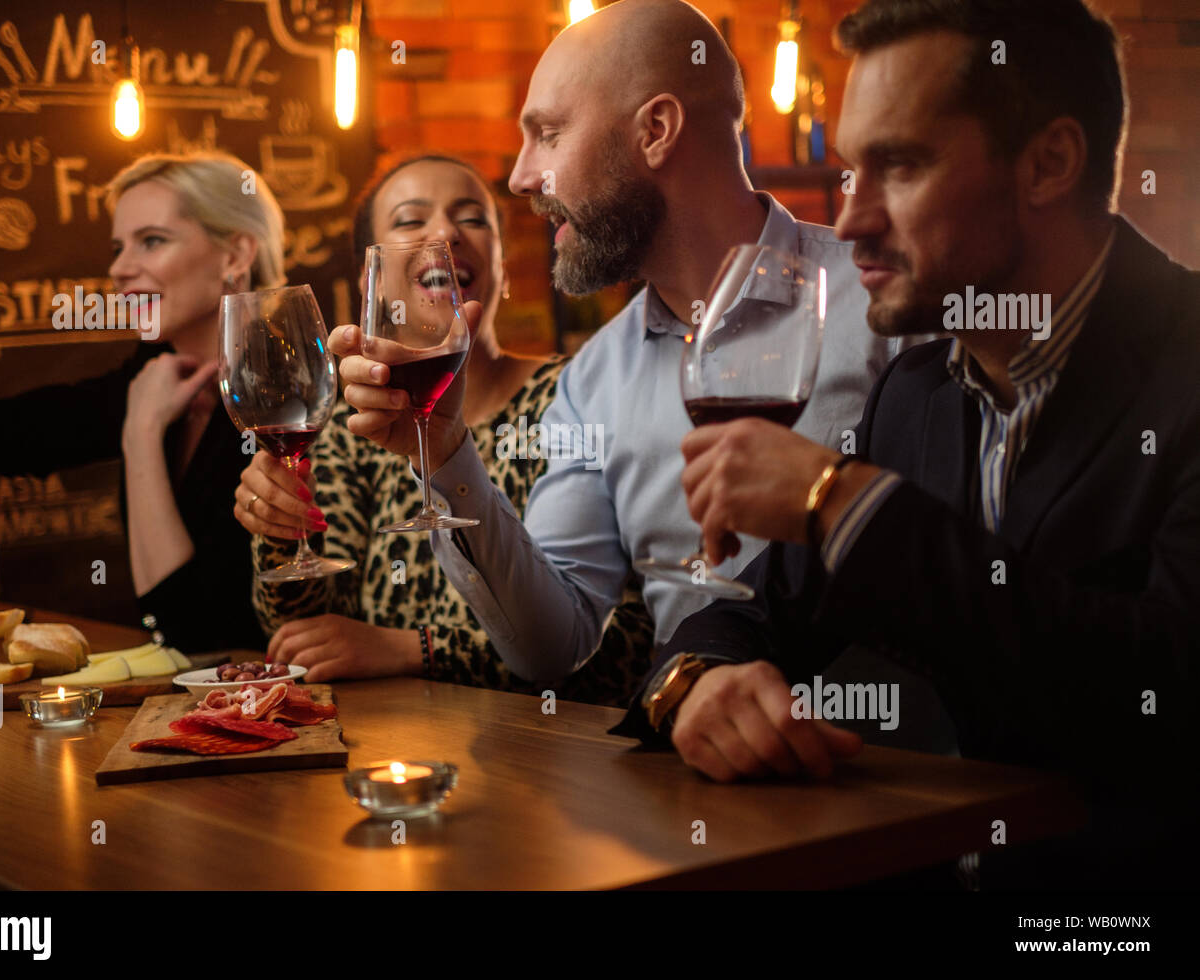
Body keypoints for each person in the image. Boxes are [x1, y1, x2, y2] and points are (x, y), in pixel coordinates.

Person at [616, 0, 1200, 889]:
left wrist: (844, 502)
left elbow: (1163, 690)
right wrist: (696, 684)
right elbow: (745, 614)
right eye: (853, 171)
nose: (849, 222)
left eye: (900, 166)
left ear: (1049, 163)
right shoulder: (919, 389)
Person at [333, 0, 936, 724]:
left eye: (548, 135)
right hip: (690, 795)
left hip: (900, 799)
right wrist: (445, 453)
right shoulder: (594, 378)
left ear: (655, 131)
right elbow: (551, 647)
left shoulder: (887, 305)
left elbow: (970, 565)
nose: (523, 178)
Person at [233, 153, 655, 701]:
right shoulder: (351, 431)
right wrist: (280, 527)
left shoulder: (578, 396)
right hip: (391, 758)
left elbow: (626, 640)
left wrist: (413, 650)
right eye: (411, 220)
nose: (446, 232)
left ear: (503, 270)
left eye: (472, 218)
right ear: (371, 283)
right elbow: (303, 635)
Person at [0, 151, 282, 652]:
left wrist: (141, 433)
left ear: (235, 256)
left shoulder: (287, 396)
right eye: (119, 246)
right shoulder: (152, 371)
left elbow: (196, 629)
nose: (120, 269)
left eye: (151, 241)